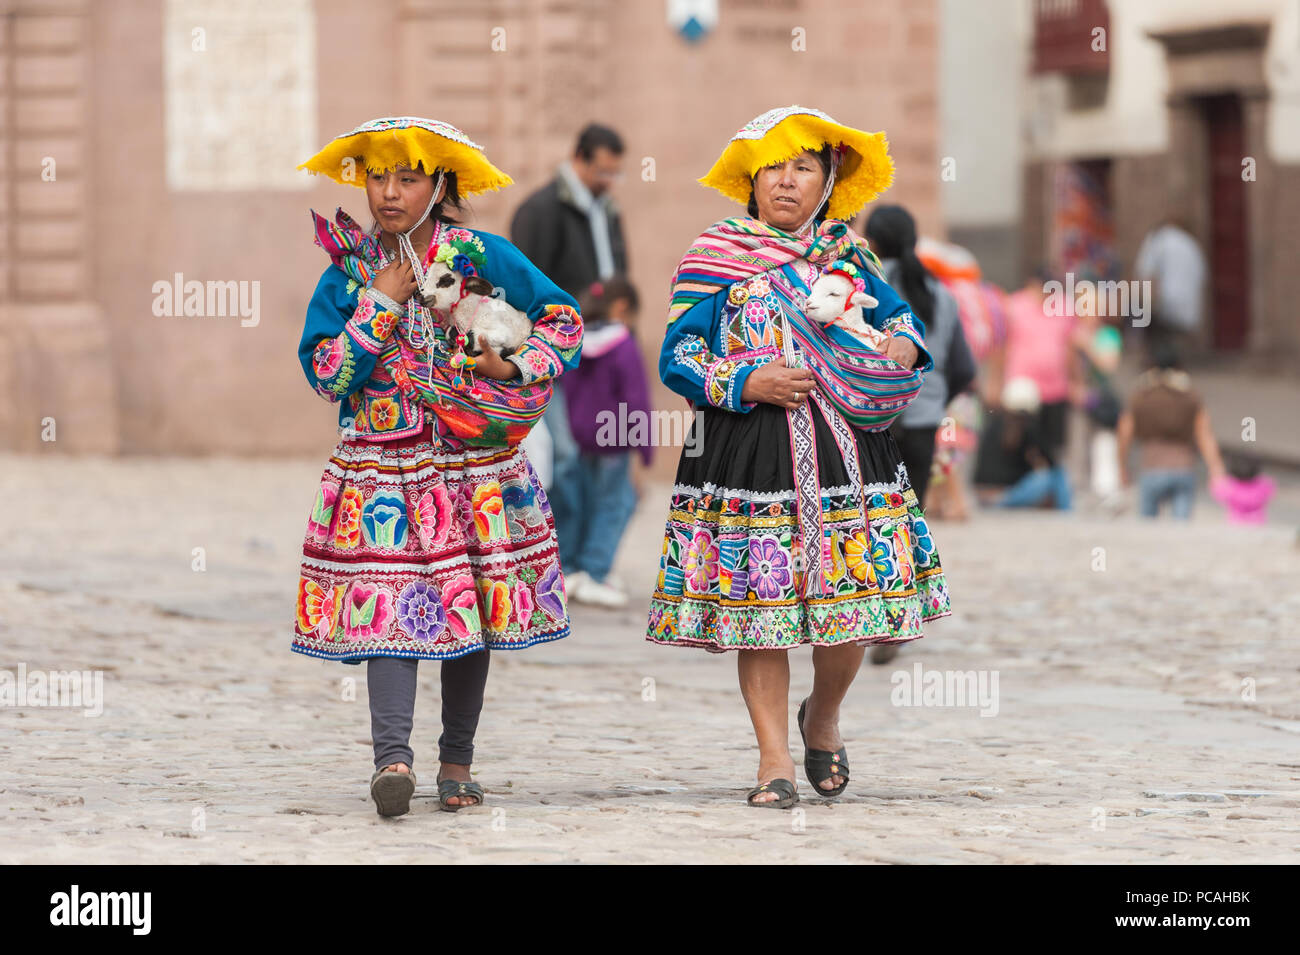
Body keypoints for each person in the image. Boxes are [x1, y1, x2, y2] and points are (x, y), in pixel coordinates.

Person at [646, 106, 952, 809]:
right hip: (750, 448)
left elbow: (900, 320)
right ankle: (772, 759)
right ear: (750, 181)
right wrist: (746, 379)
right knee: (764, 604)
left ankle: (823, 715)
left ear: (829, 181)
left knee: (849, 606)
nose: (785, 182)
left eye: (803, 168)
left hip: (849, 447)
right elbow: (678, 356)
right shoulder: (714, 257)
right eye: (772, 169)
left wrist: (902, 345)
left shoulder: (848, 256)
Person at [293, 117, 583, 817]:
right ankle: (392, 759)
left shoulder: (484, 255)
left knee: (469, 607)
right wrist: (380, 305)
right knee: (390, 606)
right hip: (381, 467)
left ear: (440, 184)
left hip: (472, 465)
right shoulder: (348, 275)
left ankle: (458, 764)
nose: (388, 193)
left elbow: (563, 321)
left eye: (408, 178)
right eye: (377, 177)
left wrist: (510, 362)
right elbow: (327, 372)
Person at [511, 124, 629, 580]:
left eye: (615, 172)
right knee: (562, 454)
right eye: (602, 170)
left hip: (602, 353)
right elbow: (523, 285)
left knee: (600, 449)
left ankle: (580, 561)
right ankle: (550, 556)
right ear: (579, 158)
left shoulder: (609, 210)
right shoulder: (540, 210)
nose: (608, 180)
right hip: (554, 357)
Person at [865, 205, 974, 511]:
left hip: (871, 421)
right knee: (912, 518)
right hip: (924, 423)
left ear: (871, 241)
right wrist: (931, 397)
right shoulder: (942, 294)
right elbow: (963, 369)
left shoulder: (864, 286)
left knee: (871, 522)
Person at [563, 276, 652, 607]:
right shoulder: (624, 345)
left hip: (579, 436)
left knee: (582, 502)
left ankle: (571, 568)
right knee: (616, 504)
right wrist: (644, 451)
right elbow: (636, 399)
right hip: (615, 438)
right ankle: (595, 572)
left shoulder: (573, 341)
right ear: (622, 307)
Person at [1116, 344, 1224, 519]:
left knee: (1147, 531)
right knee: (1180, 534)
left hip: (1151, 467)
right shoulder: (1190, 396)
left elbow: (1124, 433)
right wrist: (1216, 468)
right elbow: (1204, 435)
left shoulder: (1141, 396)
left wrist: (1122, 466)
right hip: (1183, 467)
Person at [990, 377, 1071, 510]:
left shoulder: (994, 425)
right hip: (1006, 495)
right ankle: (1067, 510)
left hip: (982, 494)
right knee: (1054, 474)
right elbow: (1052, 463)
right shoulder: (1029, 428)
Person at [1134, 216, 1206, 361]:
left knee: (1138, 312)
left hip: (1166, 308)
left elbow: (1145, 275)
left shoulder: (1160, 240)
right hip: (1190, 312)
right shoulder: (1191, 244)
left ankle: (1152, 362)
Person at [1210, 456, 1276, 525]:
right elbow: (1271, 489)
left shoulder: (1230, 486)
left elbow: (1216, 488)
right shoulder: (1263, 485)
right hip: (1257, 522)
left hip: (1234, 522)